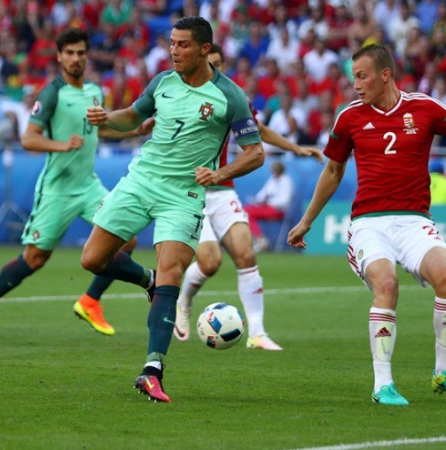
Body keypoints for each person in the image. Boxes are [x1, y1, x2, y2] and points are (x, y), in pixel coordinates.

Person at [287, 44, 446, 406]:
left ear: (385, 74)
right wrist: (306, 221)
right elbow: (332, 170)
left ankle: (442, 372)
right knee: (387, 285)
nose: (356, 85)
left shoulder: (425, 107)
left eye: (362, 76)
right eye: (353, 78)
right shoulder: (349, 118)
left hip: (413, 220)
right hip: (368, 224)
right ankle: (383, 384)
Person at [82, 17, 265, 403]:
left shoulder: (229, 96)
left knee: (172, 272)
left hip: (182, 196)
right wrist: (106, 118)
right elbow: (132, 116)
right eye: (171, 43)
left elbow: (256, 152)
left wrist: (221, 173)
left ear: (203, 49)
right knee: (92, 259)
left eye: (182, 45)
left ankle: (152, 370)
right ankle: (148, 283)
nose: (173, 51)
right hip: (139, 181)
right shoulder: (162, 82)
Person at [0, 28, 154, 342]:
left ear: (87, 55)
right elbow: (29, 138)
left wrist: (134, 132)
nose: (76, 58)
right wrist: (61, 145)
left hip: (88, 185)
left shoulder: (95, 91)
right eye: (69, 53)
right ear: (59, 56)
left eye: (81, 53)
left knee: (126, 238)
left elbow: (99, 132)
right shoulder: (51, 93)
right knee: (35, 259)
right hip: (56, 189)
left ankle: (90, 301)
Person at [173, 44, 323, 351]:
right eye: (206, 63)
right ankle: (183, 302)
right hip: (189, 193)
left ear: (221, 65)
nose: (210, 70)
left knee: (247, 254)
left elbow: (258, 129)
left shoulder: (231, 97)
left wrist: (294, 148)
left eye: (216, 64)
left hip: (223, 189)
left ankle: (256, 333)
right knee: (211, 262)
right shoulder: (180, 94)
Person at [243, 160, 295, 252]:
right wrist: (258, 201)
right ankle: (258, 239)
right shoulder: (272, 179)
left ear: (279, 170)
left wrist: (269, 203)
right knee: (246, 211)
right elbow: (263, 194)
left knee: (247, 212)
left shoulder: (286, 181)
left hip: (278, 210)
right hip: (267, 208)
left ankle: (260, 240)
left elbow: (284, 201)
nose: (273, 172)